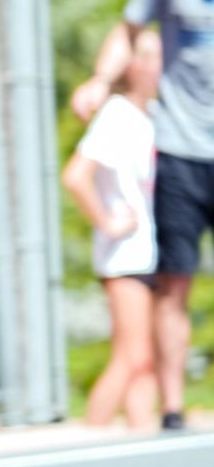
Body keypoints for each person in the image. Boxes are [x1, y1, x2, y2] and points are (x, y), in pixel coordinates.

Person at [71, 0, 214, 433]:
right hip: (181, 148)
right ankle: (172, 408)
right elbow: (129, 30)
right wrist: (100, 80)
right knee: (174, 284)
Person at [62, 28, 163, 429]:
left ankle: (142, 435)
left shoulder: (149, 115)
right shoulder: (117, 115)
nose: (161, 65)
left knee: (143, 360)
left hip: (147, 249)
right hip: (124, 254)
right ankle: (91, 438)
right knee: (131, 358)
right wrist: (107, 222)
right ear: (132, 66)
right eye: (152, 56)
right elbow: (76, 176)